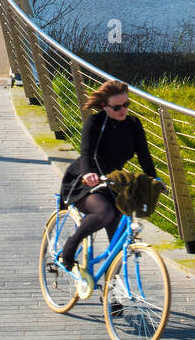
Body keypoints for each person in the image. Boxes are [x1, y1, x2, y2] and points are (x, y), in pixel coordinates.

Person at [57, 80, 158, 285]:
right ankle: (70, 247)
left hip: (113, 183)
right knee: (105, 213)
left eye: (126, 105)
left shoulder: (133, 125)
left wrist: (154, 180)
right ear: (104, 106)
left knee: (118, 239)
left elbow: (145, 157)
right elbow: (85, 153)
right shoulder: (94, 123)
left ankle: (112, 292)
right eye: (117, 107)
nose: (123, 110)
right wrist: (88, 174)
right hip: (84, 180)